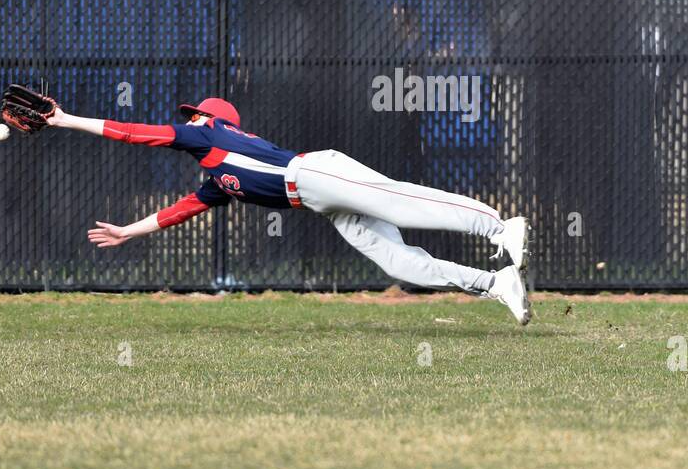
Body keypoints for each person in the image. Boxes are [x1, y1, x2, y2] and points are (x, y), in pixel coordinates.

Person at [43, 96, 532, 324]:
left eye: (194, 114)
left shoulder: (208, 133)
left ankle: (498, 226)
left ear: (213, 120)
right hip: (325, 203)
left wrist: (65, 120)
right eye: (190, 116)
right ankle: (496, 283)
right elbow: (181, 209)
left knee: (402, 202)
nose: (188, 119)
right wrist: (129, 231)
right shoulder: (220, 177)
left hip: (315, 174)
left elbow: (133, 132)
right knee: (402, 264)